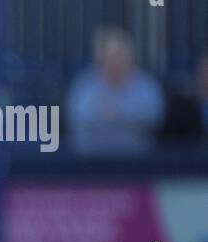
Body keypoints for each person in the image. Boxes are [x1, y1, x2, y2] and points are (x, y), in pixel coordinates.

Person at [65, 27, 164, 156]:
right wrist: (125, 120)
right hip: (90, 162)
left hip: (136, 161)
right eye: (111, 56)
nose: (116, 62)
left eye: (120, 56)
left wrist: (116, 114)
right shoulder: (84, 86)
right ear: (100, 58)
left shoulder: (146, 85)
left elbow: (153, 117)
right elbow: (79, 118)